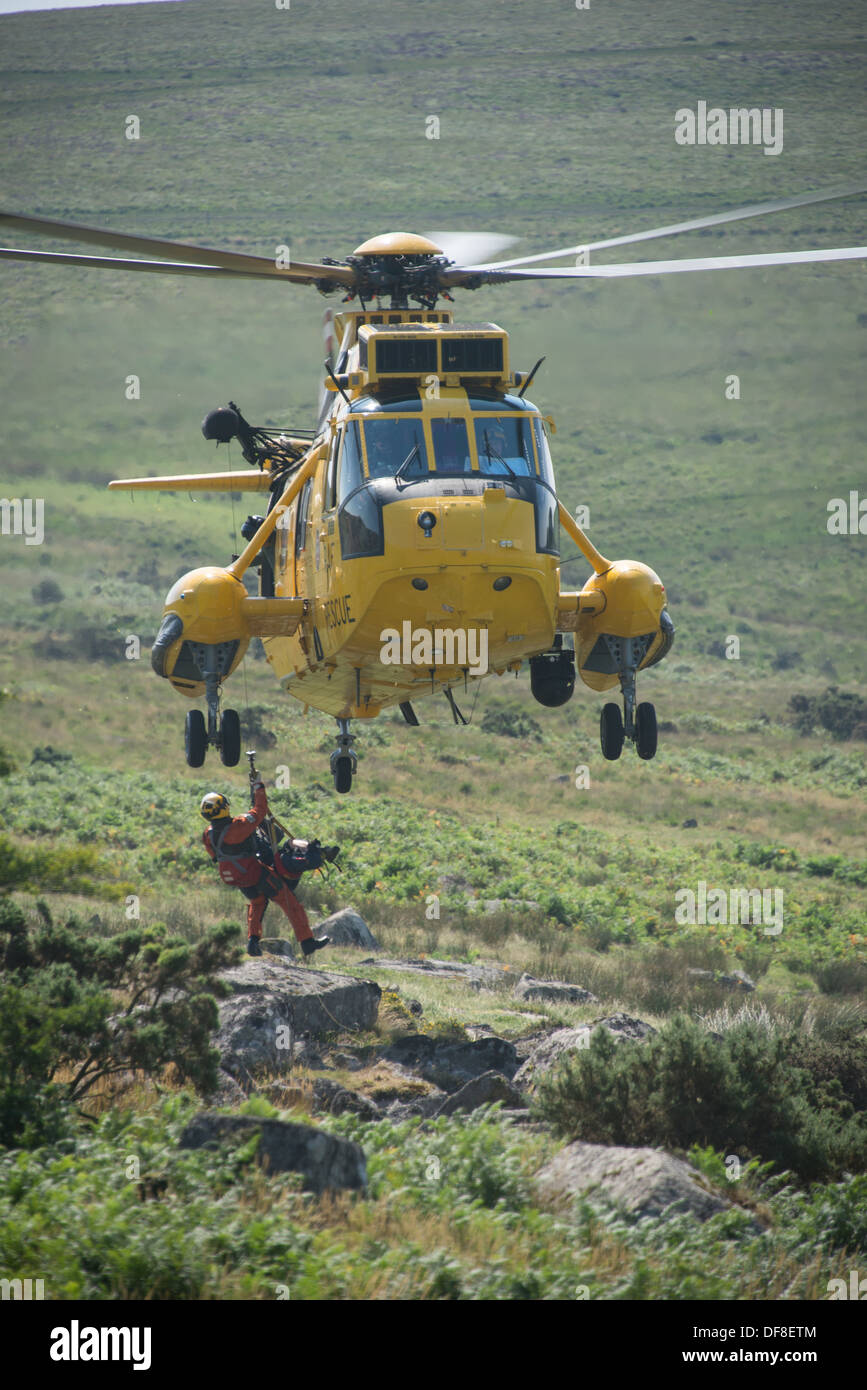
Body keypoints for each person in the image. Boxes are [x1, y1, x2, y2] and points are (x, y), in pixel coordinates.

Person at [200, 783, 332, 958]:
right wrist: (259, 788)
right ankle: (307, 942)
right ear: (224, 808)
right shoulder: (238, 826)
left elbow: (214, 855)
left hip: (234, 877)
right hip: (254, 873)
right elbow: (260, 810)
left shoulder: (208, 833)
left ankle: (253, 942)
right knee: (289, 901)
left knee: (258, 902)